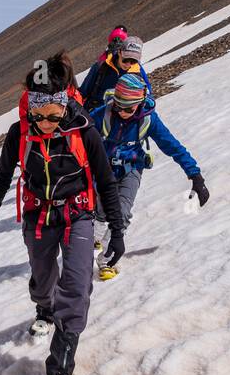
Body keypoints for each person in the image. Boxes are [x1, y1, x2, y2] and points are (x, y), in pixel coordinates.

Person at [0, 51, 126, 375]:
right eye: (38, 115)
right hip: (38, 216)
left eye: (54, 115)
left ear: (64, 107)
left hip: (78, 214)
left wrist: (116, 229)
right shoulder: (20, 133)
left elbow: (105, 180)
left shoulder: (83, 130)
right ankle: (44, 307)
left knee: (76, 288)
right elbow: (3, 174)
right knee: (44, 280)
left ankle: (59, 367)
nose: (45, 122)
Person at [88, 71, 209, 280]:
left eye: (128, 108)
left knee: (123, 213)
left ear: (140, 103)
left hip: (131, 169)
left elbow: (172, 145)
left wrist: (195, 175)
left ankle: (106, 261)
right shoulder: (102, 114)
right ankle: (94, 237)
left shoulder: (148, 120)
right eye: (118, 105)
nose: (122, 111)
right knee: (100, 210)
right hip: (102, 170)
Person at [78, 31, 151, 113]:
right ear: (119, 52)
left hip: (125, 115)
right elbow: (83, 92)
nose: (128, 64)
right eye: (126, 59)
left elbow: (147, 96)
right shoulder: (101, 66)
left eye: (133, 61)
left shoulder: (138, 71)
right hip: (96, 113)